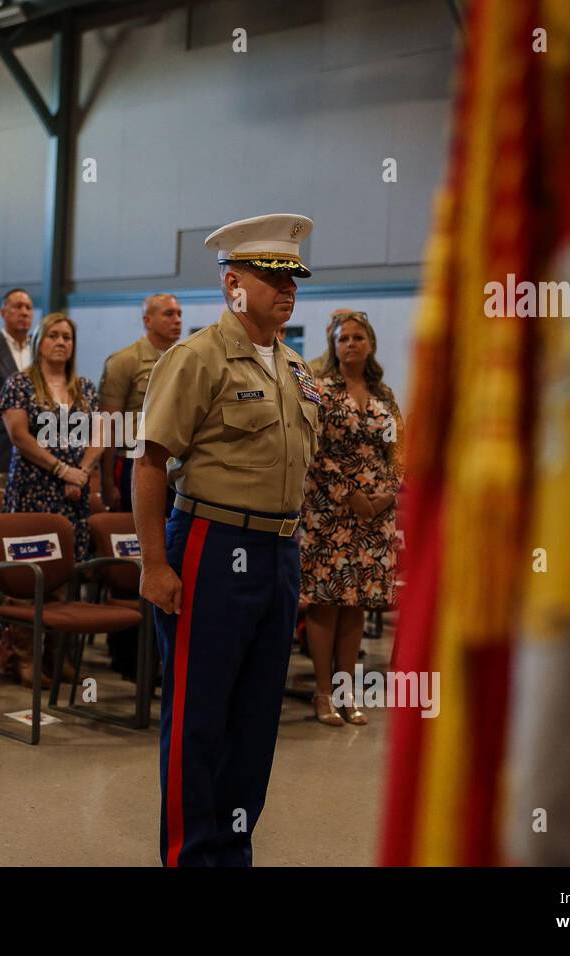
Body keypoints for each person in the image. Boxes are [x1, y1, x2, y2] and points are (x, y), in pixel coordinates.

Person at [136, 214, 319, 867]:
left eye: (292, 275)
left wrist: (295, 566)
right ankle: (192, 855)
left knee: (254, 718)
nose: (286, 287)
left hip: (278, 552)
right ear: (232, 283)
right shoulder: (197, 358)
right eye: (271, 276)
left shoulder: (296, 367)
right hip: (212, 544)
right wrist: (154, 564)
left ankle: (233, 848)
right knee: (198, 716)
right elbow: (151, 462)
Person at [298, 309, 403, 726]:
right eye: (343, 339)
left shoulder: (385, 394)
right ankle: (322, 695)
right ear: (333, 347)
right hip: (331, 511)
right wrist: (350, 493)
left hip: (376, 515)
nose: (351, 344)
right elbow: (313, 451)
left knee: (356, 604)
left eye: (358, 337)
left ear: (371, 344)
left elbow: (399, 452)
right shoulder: (321, 391)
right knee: (326, 603)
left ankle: (347, 695)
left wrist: (386, 493)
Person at [0, 312, 100, 687]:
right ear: (40, 341)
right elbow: (19, 436)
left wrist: (83, 472)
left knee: (64, 577)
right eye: (54, 335)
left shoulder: (86, 387)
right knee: (28, 577)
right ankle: (25, 659)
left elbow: (100, 434)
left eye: (67, 337)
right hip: (32, 489)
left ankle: (59, 658)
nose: (61, 342)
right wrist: (61, 470)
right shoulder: (20, 383)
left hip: (73, 494)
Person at [98, 293, 182, 512]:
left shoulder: (185, 360)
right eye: (169, 314)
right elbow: (108, 424)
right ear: (148, 320)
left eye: (179, 314)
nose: (177, 320)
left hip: (175, 464)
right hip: (132, 461)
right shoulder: (125, 361)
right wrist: (107, 481)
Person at [0, 288, 33, 485]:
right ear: (3, 312)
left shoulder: (41, 350)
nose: (24, 312)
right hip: (0, 447)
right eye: (18, 306)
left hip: (38, 451)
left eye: (28, 308)